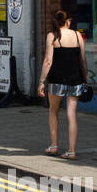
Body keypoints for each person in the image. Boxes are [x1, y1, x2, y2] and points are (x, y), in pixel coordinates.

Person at [38, 10, 89, 160]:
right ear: (67, 21)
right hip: (75, 79)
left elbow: (48, 61)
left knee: (53, 112)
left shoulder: (52, 35)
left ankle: (54, 146)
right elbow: (83, 60)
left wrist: (41, 81)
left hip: (56, 79)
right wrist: (85, 78)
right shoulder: (77, 35)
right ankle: (71, 151)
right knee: (71, 114)